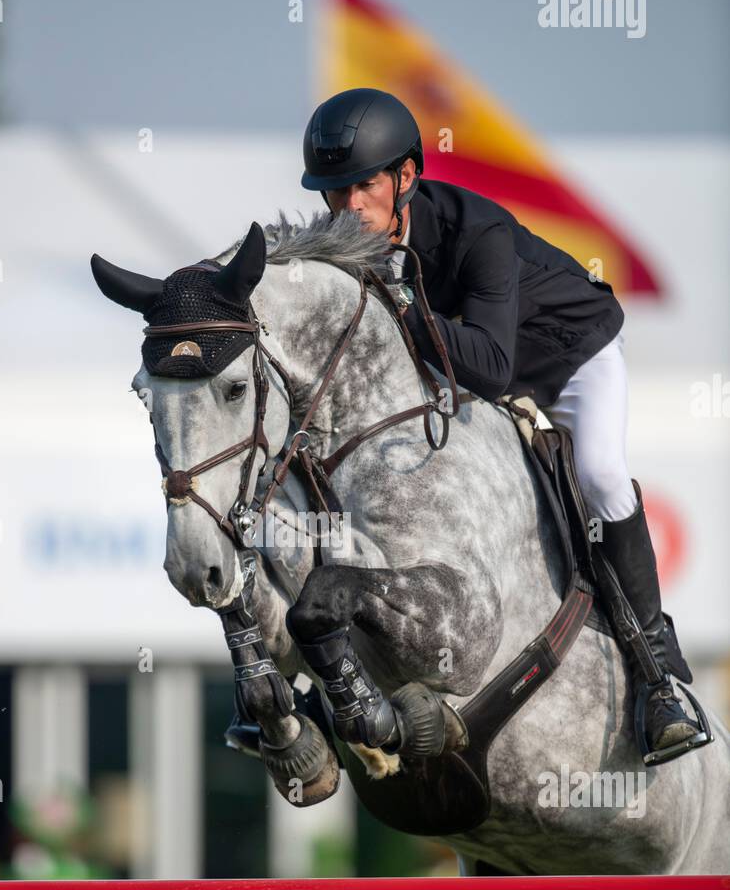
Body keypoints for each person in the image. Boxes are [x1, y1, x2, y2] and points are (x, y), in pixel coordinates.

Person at [294, 87, 709, 764]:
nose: (347, 207)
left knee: (600, 474)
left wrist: (401, 305)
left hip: (569, 355)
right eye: (333, 191)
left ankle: (657, 675)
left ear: (406, 177)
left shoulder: (474, 231)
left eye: (362, 185)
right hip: (473, 369)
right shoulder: (350, 250)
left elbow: (488, 367)